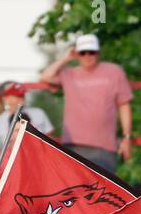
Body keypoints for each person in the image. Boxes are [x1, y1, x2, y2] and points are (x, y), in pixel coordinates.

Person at [40, 33, 133, 172]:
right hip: (73, 145)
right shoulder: (68, 74)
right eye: (83, 52)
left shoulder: (114, 71)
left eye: (92, 52)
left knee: (103, 191)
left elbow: (124, 105)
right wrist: (65, 59)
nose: (88, 56)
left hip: (104, 146)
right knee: (74, 191)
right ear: (76, 54)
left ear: (98, 53)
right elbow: (45, 76)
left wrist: (127, 138)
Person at [0, 80, 53, 157]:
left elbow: (50, 141)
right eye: (17, 95)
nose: (22, 98)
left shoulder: (39, 113)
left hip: (39, 158)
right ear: (5, 99)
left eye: (22, 95)